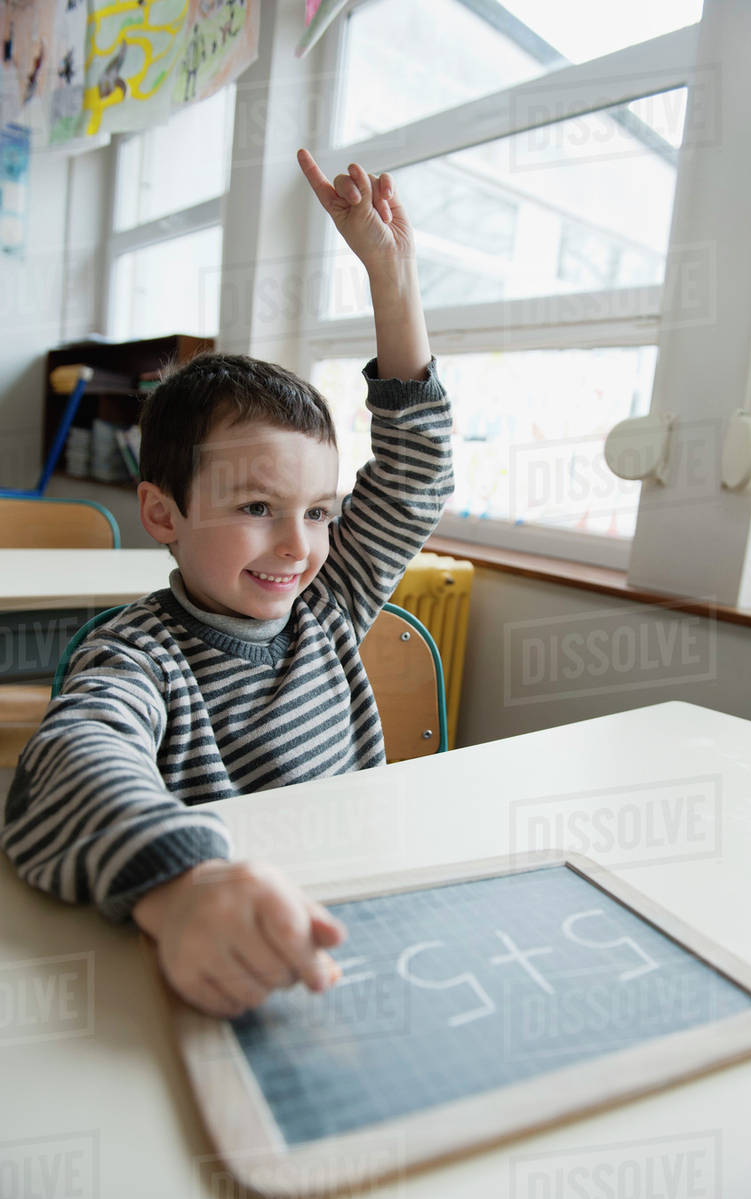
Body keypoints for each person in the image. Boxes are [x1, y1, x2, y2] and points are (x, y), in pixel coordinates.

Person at [0, 149, 453, 1019]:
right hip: (225, 947)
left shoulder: (328, 604)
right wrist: (183, 884)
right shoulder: (139, 654)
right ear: (162, 513)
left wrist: (392, 279)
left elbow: (416, 473)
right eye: (256, 505)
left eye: (320, 510)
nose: (297, 545)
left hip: (358, 920)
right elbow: (69, 759)